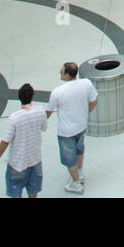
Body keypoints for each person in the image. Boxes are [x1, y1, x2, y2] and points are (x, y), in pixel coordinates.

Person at [46, 62, 98, 194]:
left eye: (61, 72)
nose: (60, 74)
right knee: (79, 150)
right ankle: (79, 172)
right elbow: (94, 101)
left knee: (69, 159)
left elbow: (48, 112)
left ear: (67, 75)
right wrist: (86, 113)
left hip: (66, 132)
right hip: (81, 126)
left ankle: (76, 184)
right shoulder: (86, 83)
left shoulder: (57, 92)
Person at [0, 84, 47, 198]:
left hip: (17, 163)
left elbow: (5, 141)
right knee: (33, 191)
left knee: (15, 192)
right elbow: (44, 128)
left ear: (19, 97)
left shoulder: (14, 118)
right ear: (32, 96)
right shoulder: (41, 111)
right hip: (35, 160)